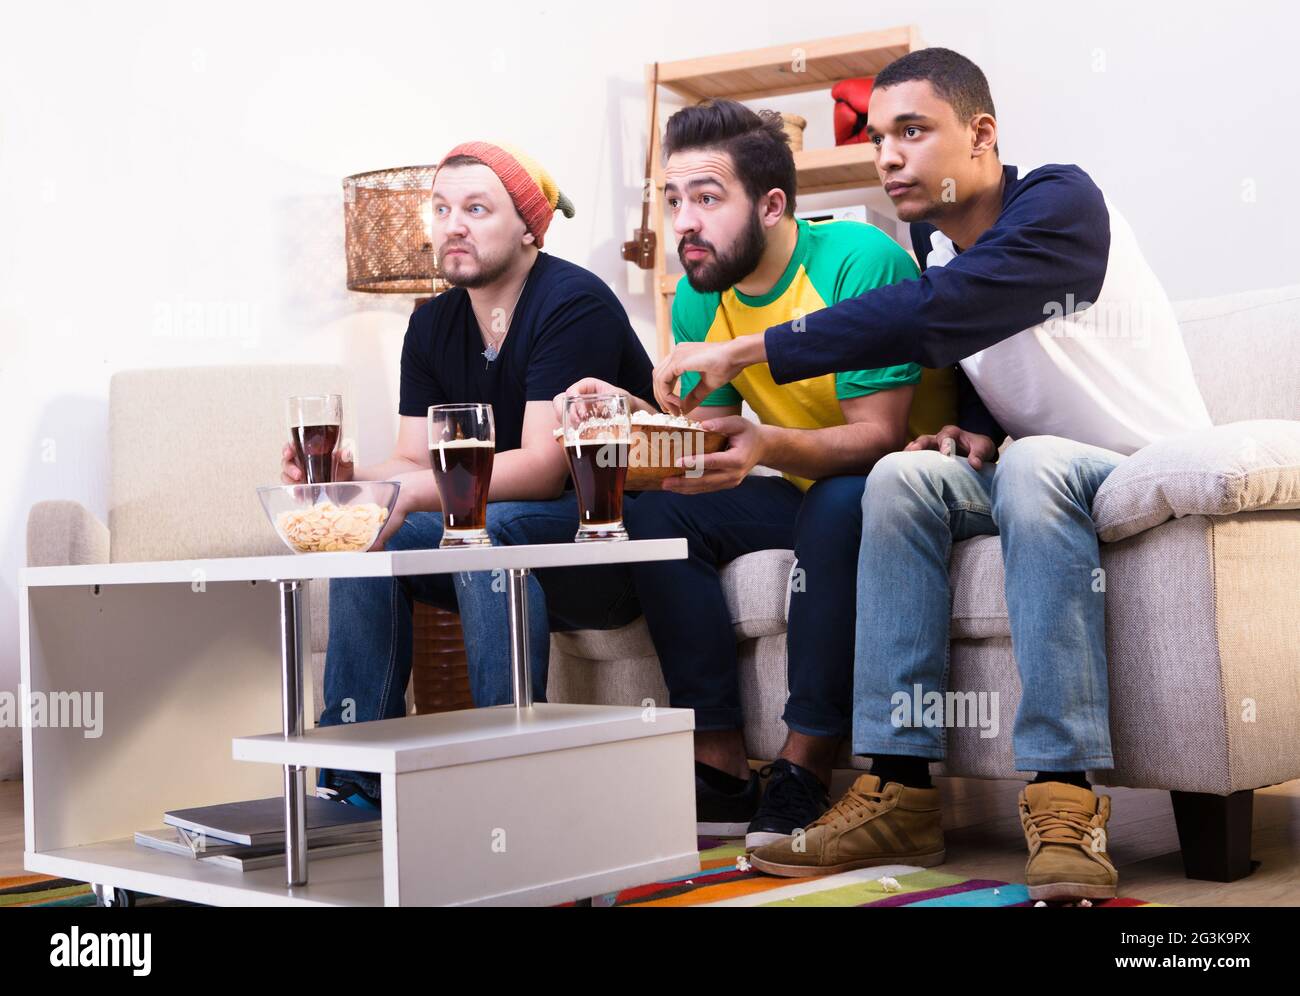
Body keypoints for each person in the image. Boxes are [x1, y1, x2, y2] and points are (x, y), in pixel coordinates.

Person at [653, 49, 1212, 901]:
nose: (887, 156)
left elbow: (947, 311)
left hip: (1136, 465)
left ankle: (1064, 797)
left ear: (981, 136)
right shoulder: (933, 238)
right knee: (900, 479)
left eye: (911, 132)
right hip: (1030, 466)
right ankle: (899, 788)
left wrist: (757, 345)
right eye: (878, 137)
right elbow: (995, 346)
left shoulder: (1061, 201)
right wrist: (975, 427)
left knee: (1036, 463)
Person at [563, 98, 955, 850]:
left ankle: (804, 764)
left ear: (772, 205)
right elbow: (700, 437)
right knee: (661, 511)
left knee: (839, 502)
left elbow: (875, 441)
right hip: (802, 485)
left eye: (708, 198)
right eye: (674, 199)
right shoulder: (699, 297)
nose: (684, 222)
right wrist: (631, 412)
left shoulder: (858, 261)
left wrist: (765, 447)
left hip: (897, 484)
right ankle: (718, 761)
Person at [284, 141, 654, 809]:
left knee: (490, 526)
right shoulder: (432, 324)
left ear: (528, 225)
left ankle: (507, 779)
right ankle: (349, 787)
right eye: (442, 208)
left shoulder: (573, 302)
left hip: (602, 540)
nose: (452, 224)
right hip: (505, 536)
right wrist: (350, 485)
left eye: (476, 208)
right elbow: (411, 460)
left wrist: (399, 492)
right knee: (372, 535)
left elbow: (545, 469)